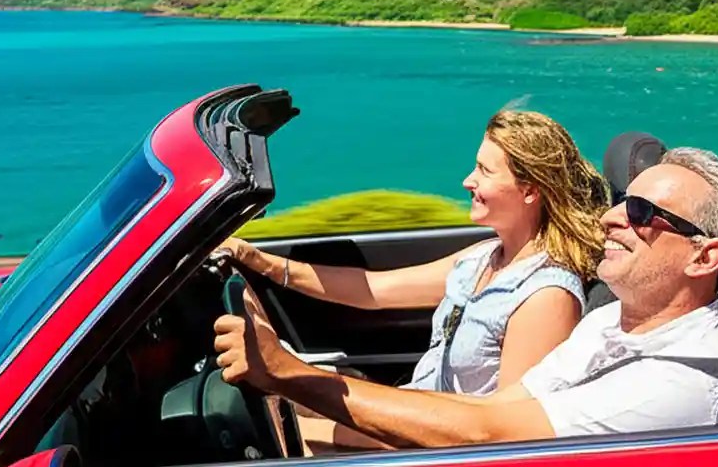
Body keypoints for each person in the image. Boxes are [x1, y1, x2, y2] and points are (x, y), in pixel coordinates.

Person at [213, 147, 718, 451]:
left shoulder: (675, 383)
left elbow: (489, 436)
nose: (611, 217)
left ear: (703, 258)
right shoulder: (611, 320)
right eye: (619, 203)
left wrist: (288, 374)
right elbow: (497, 407)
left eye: (639, 213)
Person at [218, 108, 608, 412]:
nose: (467, 181)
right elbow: (373, 290)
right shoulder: (486, 258)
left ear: (529, 191)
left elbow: (504, 427)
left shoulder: (546, 297)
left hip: (434, 450)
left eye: (484, 172)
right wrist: (258, 260)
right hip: (416, 411)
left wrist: (293, 373)